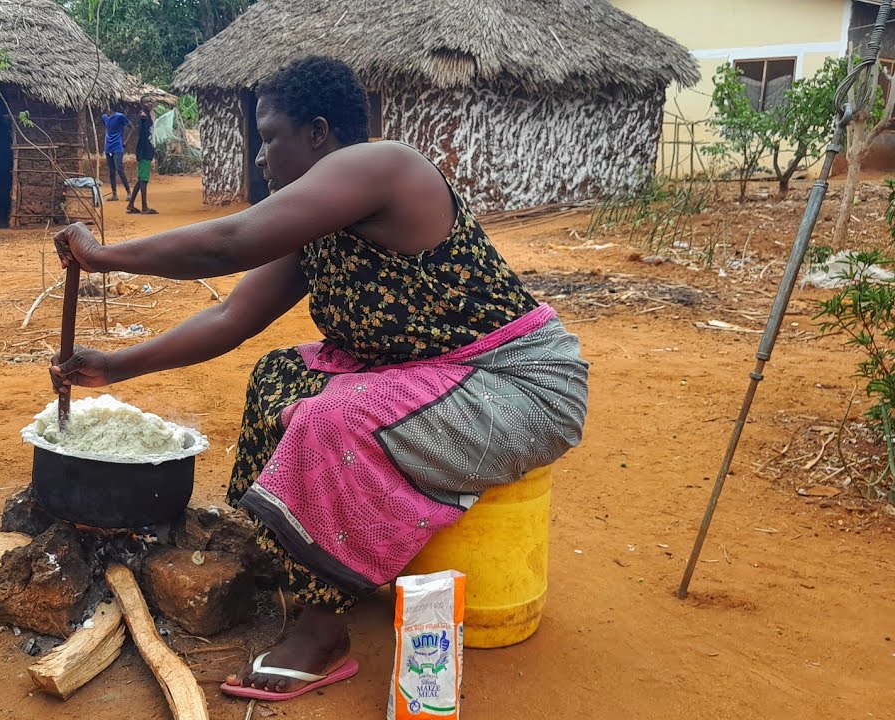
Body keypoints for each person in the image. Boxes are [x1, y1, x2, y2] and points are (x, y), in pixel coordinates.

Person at [52, 57, 588, 703]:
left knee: (333, 417)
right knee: (283, 375)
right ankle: (299, 566)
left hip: (515, 387)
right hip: (421, 379)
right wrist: (117, 364)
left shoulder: (383, 165)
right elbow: (233, 315)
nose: (258, 157)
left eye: (270, 136)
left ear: (318, 133)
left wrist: (105, 257)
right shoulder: (321, 227)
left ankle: (321, 631)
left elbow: (231, 243)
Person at [126, 101, 157, 214]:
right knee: (143, 180)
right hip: (144, 153)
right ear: (143, 105)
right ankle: (144, 207)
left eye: (151, 103)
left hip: (145, 152)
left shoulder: (147, 117)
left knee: (141, 180)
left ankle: (131, 204)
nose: (151, 104)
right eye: (148, 102)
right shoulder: (144, 118)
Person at [102, 106, 131, 201]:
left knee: (119, 169)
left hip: (118, 146)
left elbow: (132, 127)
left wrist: (126, 141)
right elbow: (107, 130)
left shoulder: (120, 116)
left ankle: (129, 192)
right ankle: (114, 194)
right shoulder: (104, 117)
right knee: (111, 171)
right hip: (108, 147)